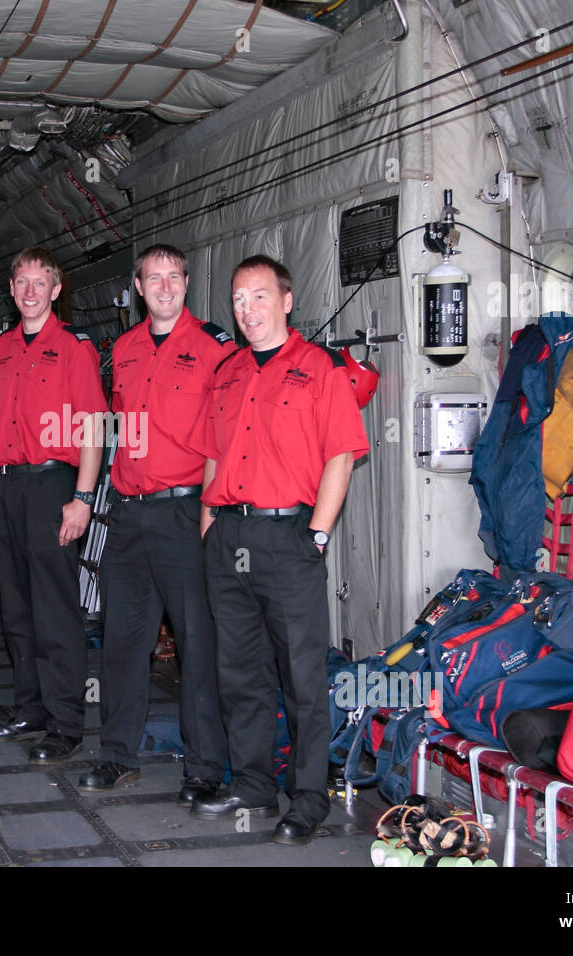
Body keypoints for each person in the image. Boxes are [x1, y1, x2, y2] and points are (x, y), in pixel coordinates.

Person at [189, 255, 368, 846]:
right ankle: (254, 785)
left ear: (286, 301)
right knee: (239, 672)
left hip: (288, 535)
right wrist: (208, 524)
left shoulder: (318, 369)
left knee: (302, 676)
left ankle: (309, 797)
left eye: (259, 297)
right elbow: (213, 452)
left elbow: (341, 454)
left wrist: (316, 534)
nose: (248, 311)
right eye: (239, 300)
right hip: (229, 535)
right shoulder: (228, 372)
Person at [77, 244, 234, 805]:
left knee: (197, 641)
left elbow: (227, 436)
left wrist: (212, 513)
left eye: (174, 277)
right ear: (138, 289)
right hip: (129, 512)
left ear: (186, 284)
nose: (164, 287)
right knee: (122, 642)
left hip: (186, 512)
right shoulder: (122, 349)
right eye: (153, 278)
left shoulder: (216, 349)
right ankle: (118, 756)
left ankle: (205, 767)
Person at [0, 246, 108, 764]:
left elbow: (94, 426)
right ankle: (29, 708)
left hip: (53, 485)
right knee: (15, 607)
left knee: (55, 610)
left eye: (41, 283)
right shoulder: (6, 347)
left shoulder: (75, 347)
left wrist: (82, 496)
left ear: (56, 292)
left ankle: (65, 722)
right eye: (22, 283)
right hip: (8, 486)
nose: (30, 292)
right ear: (12, 291)